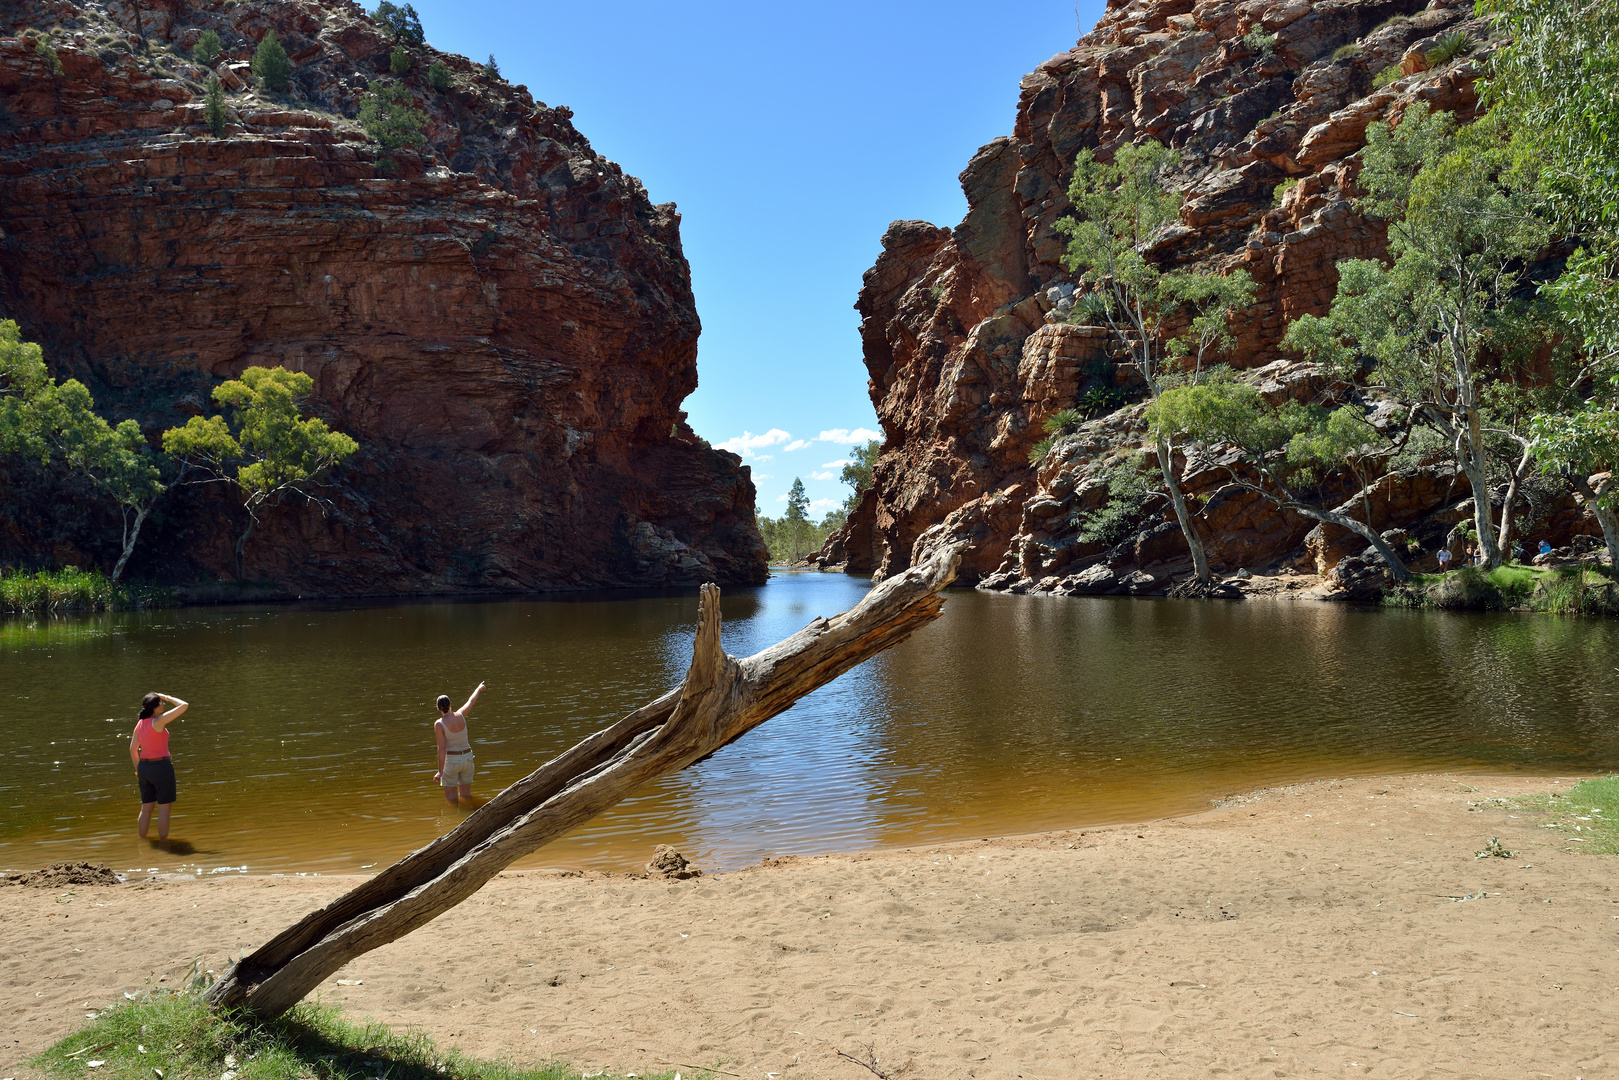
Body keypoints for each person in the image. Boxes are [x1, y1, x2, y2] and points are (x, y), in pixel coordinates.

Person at [129, 692, 188, 840]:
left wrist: (138, 771)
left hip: (144, 768)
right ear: (155, 708)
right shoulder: (158, 721)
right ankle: (163, 843)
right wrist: (167, 696)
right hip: (161, 767)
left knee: (146, 808)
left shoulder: (140, 724)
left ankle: (142, 841)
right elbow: (184, 705)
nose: (164, 704)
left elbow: (132, 749)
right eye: (161, 702)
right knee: (164, 809)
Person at [433, 682, 484, 806]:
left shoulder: (439, 724)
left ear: (438, 708)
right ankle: (469, 817)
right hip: (467, 758)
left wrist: (440, 771)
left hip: (452, 761)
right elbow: (471, 701)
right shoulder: (461, 715)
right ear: (450, 705)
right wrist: (478, 688)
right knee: (466, 796)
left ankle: (456, 820)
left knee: (451, 799)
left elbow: (441, 749)